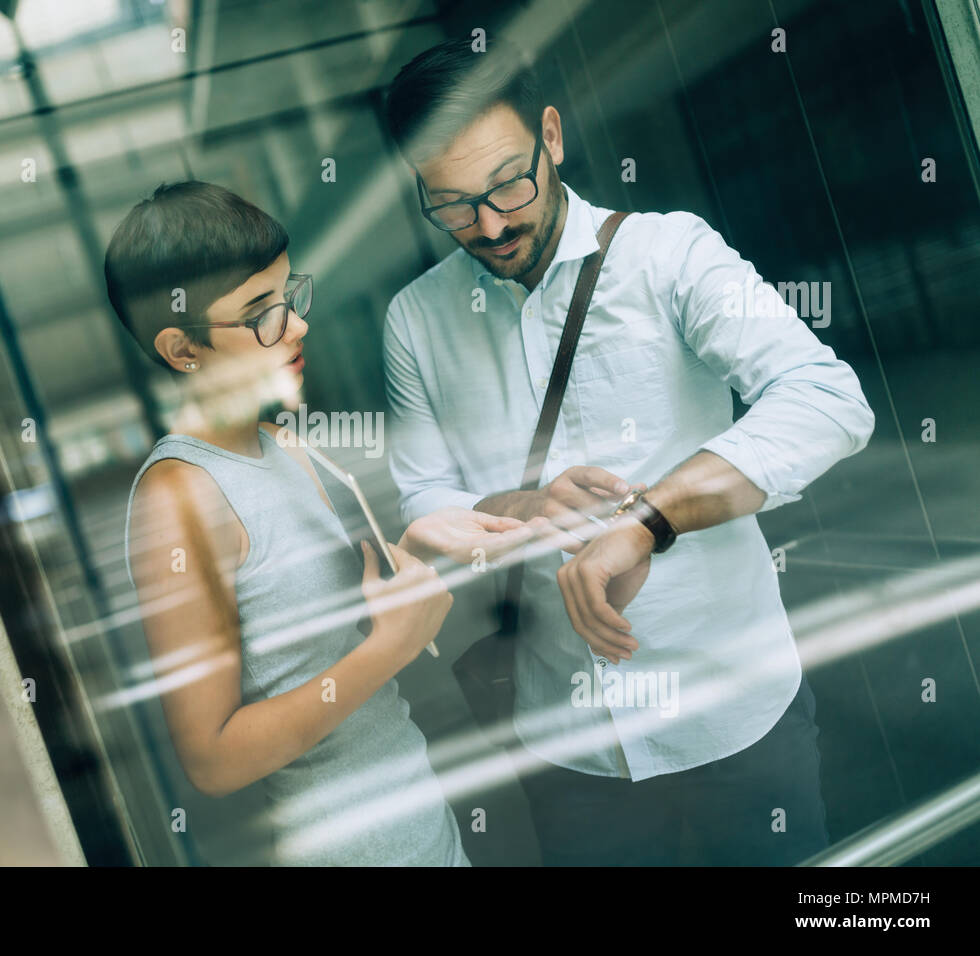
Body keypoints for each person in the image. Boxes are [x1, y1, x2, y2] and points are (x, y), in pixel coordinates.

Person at [380, 37, 876, 865]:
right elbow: (422, 498)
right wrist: (518, 507)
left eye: (509, 182)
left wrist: (647, 520)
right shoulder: (415, 321)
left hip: (733, 709)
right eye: (455, 205)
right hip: (564, 737)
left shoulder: (669, 254)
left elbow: (826, 401)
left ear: (551, 135)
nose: (493, 223)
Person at [108, 181, 529, 865]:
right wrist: (389, 647)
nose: (297, 325)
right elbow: (214, 759)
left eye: (289, 297)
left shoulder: (286, 443)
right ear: (184, 351)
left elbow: (311, 636)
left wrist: (413, 547)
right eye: (260, 314)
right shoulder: (180, 496)